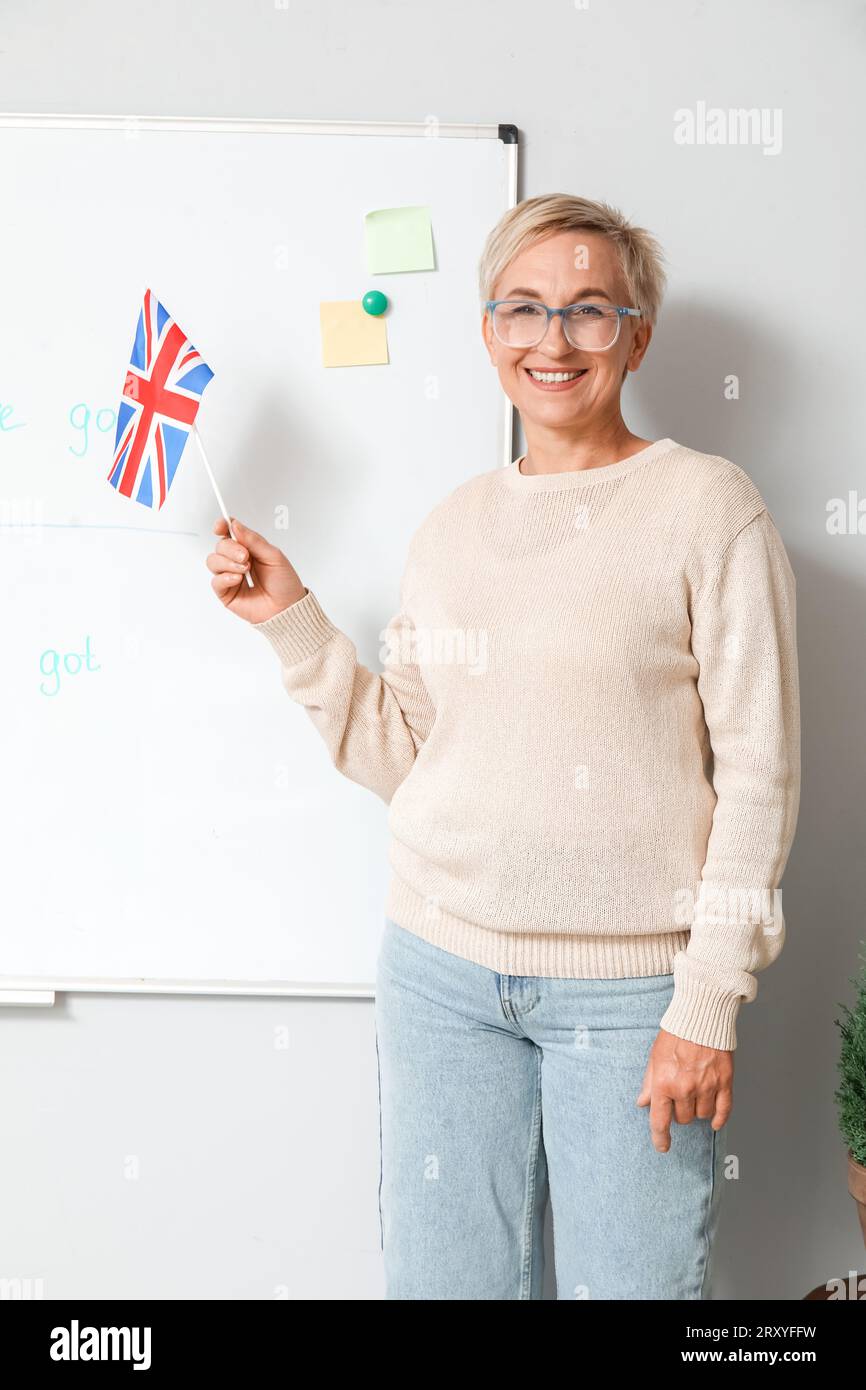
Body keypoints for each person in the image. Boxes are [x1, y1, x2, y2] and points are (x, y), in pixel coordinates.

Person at [206, 194, 800, 1300]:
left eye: (586, 309)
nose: (552, 339)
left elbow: (759, 780)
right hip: (440, 975)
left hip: (632, 995)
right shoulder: (449, 528)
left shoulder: (707, 510)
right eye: (522, 309)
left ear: (636, 331)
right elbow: (408, 756)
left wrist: (706, 999)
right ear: (487, 334)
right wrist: (293, 620)